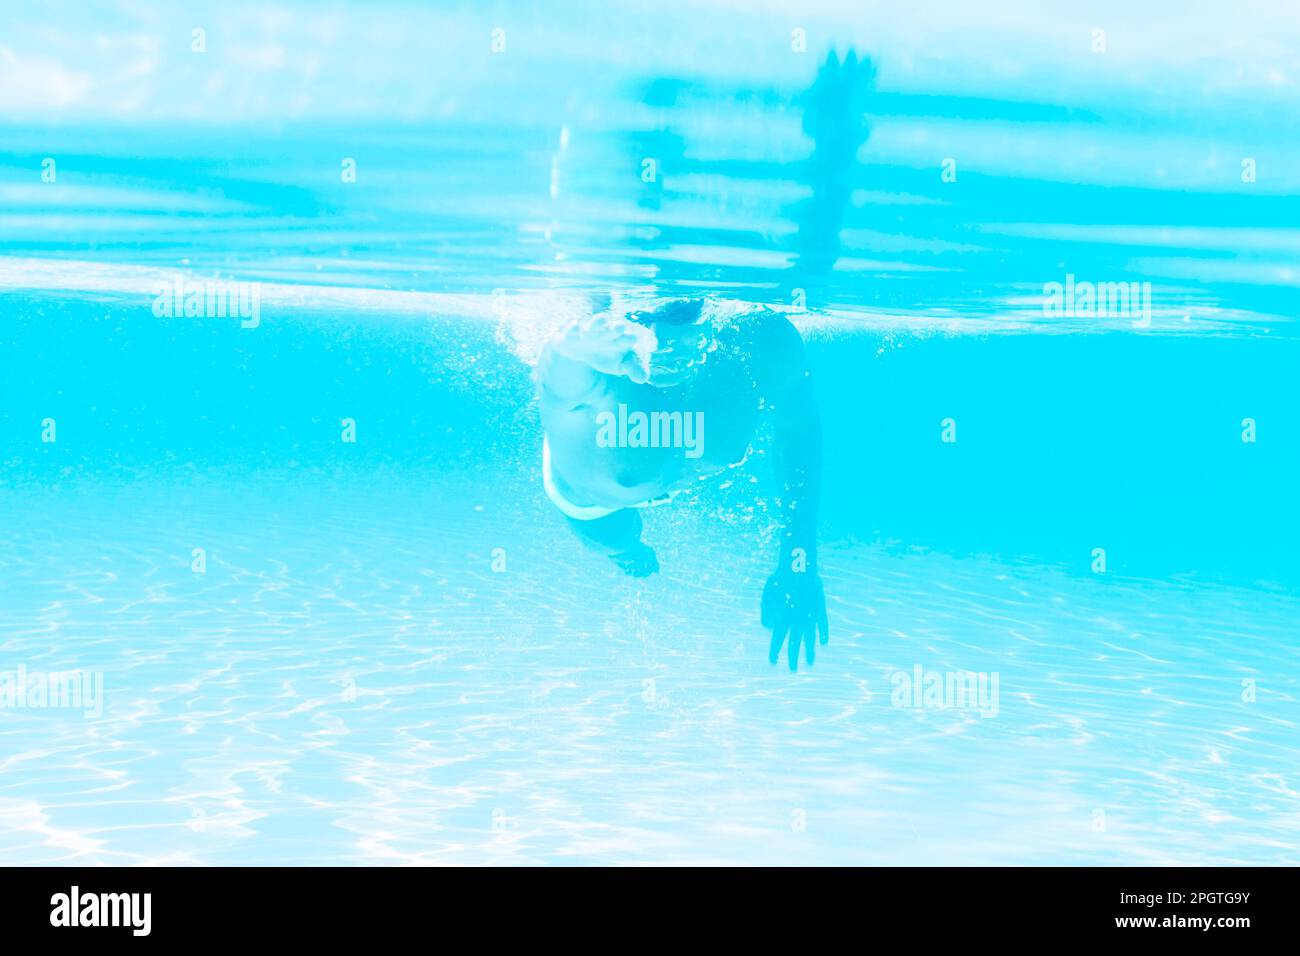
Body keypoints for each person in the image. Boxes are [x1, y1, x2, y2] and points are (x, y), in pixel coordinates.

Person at [537, 297, 828, 669]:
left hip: (640, 473)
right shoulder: (595, 366)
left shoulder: (759, 342)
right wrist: (570, 349)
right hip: (591, 501)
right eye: (640, 318)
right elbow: (559, 375)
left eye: (676, 316)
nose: (656, 340)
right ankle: (625, 554)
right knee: (620, 539)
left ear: (709, 308)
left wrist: (798, 562)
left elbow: (797, 429)